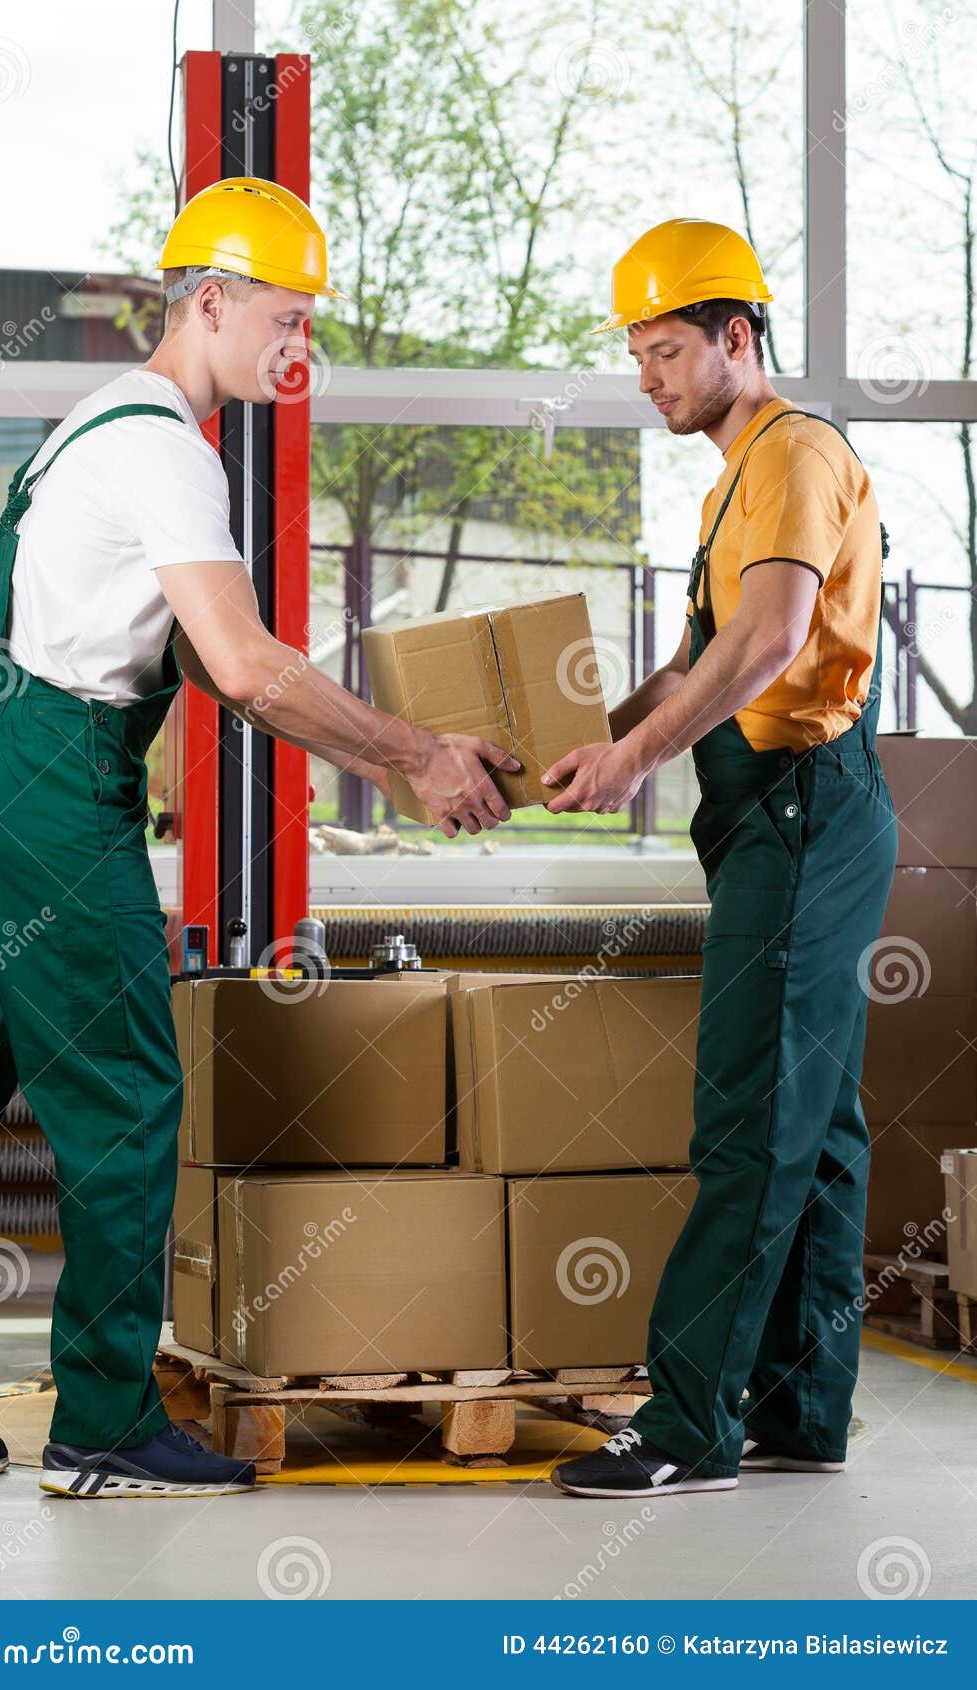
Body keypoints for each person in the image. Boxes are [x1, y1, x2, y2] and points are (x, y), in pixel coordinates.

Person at [0, 177, 518, 1501]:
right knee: (124, 1101)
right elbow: (239, 665)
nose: (294, 349)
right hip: (54, 781)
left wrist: (361, 732)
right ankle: (106, 1425)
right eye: (285, 319)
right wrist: (414, 757)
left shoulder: (88, 424)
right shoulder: (170, 449)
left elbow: (190, 647)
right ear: (211, 300)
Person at [547, 218, 897, 1499]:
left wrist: (642, 759)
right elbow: (701, 658)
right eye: (635, 353)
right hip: (779, 807)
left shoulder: (792, 453)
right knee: (818, 1123)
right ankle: (803, 1409)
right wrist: (598, 737)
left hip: (801, 806)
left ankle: (687, 1423)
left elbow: (766, 636)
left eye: (664, 349)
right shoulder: (733, 476)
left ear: (735, 338)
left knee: (749, 1119)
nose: (645, 376)